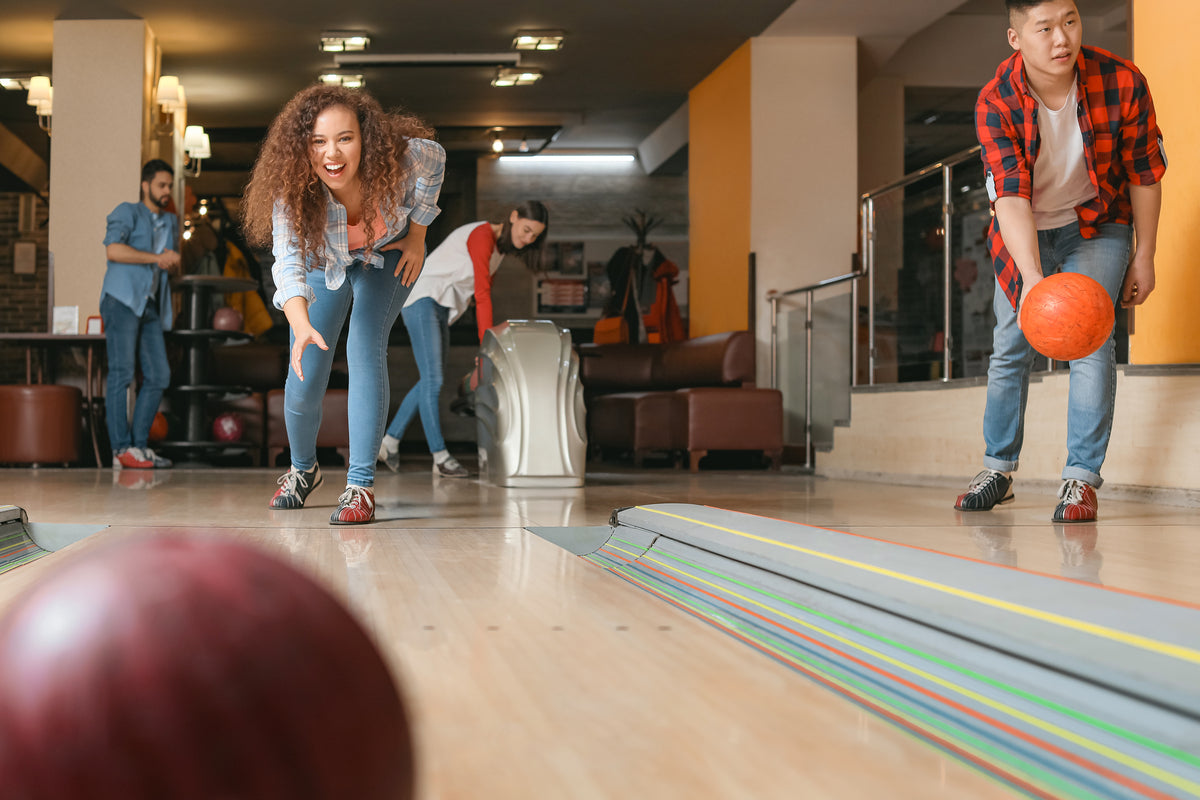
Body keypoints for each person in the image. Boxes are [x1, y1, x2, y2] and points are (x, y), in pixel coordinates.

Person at [955, 0, 1165, 522]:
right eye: (1045, 27)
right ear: (1015, 38)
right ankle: (998, 469)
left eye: (1070, 21)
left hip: (1097, 222)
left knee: (1091, 340)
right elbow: (1009, 196)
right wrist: (1032, 279)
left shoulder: (1122, 81)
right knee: (1011, 346)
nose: (1061, 38)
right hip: (1023, 230)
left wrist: (1144, 255)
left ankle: (1080, 480)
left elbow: (1144, 173)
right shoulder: (996, 100)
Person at [241, 84, 445, 524]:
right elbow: (288, 262)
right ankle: (303, 470)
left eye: (344, 138)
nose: (331, 153)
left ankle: (360, 485)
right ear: (303, 148)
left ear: (365, 139)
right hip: (324, 259)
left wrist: (417, 234)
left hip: (387, 253)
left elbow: (437, 159)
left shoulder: (405, 157)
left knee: (364, 347)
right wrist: (300, 325)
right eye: (318, 141)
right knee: (304, 374)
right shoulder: (292, 194)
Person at [378, 201, 549, 476]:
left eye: (535, 236)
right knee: (433, 380)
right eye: (526, 230)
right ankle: (440, 457)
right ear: (513, 216)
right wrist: (486, 350)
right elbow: (482, 295)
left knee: (429, 380)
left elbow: (478, 292)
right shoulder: (483, 236)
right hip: (423, 298)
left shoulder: (499, 250)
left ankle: (389, 442)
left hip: (439, 305)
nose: (528, 239)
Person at [101, 158, 181, 470]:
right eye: (161, 185)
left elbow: (168, 264)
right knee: (122, 373)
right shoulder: (127, 212)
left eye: (169, 186)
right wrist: (157, 258)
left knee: (159, 374)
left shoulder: (170, 221)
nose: (166, 191)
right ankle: (121, 449)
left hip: (149, 304)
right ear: (145, 185)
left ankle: (138, 447)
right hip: (121, 300)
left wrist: (171, 262)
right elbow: (113, 250)